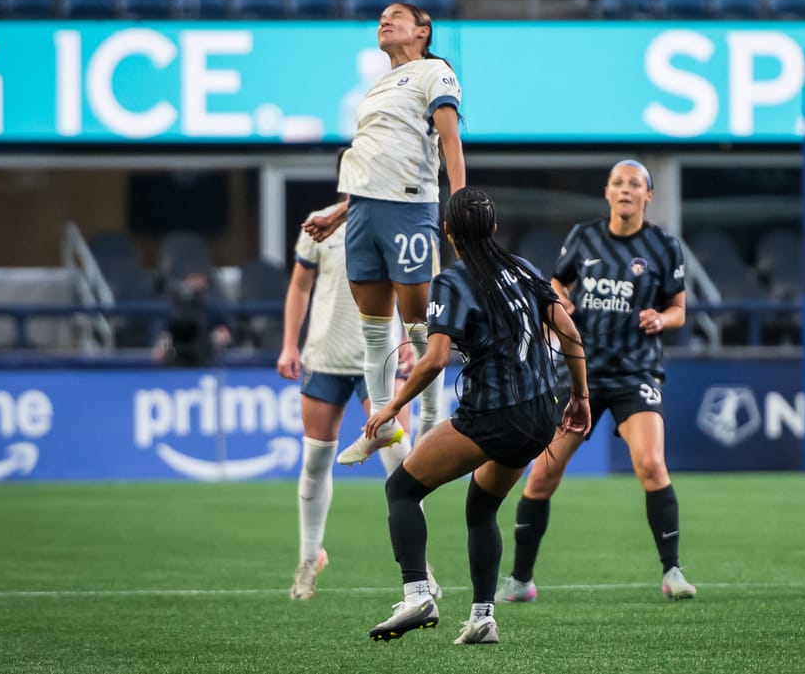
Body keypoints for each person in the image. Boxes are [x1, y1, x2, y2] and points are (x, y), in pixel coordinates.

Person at [362, 187, 590, 645]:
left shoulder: (453, 280)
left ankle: (416, 594)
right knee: (482, 507)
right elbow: (567, 328)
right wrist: (580, 397)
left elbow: (435, 359)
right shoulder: (523, 267)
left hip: (494, 414)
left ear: (447, 231)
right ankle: (483, 617)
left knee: (402, 489)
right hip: (541, 413)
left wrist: (391, 405)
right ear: (495, 228)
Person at [497, 160, 697, 603]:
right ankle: (520, 580)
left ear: (648, 195)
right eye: (618, 183)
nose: (625, 190)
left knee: (651, 464)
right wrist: (560, 300)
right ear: (607, 193)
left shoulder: (664, 246)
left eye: (634, 184)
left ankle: (672, 572)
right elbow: (554, 284)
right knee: (542, 477)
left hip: (635, 373)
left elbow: (679, 308)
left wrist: (661, 317)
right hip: (580, 374)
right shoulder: (583, 237)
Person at [304, 2, 463, 465]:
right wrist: (340, 213)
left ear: (422, 29)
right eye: (380, 18)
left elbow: (451, 141)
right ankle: (383, 426)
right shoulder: (376, 88)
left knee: (418, 322)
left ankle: (433, 416)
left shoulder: (433, 72)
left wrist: (457, 202)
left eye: (396, 16)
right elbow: (373, 161)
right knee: (374, 330)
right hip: (364, 212)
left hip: (409, 209)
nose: (384, 21)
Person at [278, 204, 442, 601]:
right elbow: (300, 286)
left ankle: (420, 565)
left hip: (383, 361)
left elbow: (418, 289)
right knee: (315, 460)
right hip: (325, 359)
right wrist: (288, 344)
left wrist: (411, 339)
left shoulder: (399, 221)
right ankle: (308, 558)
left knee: (401, 466)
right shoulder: (319, 224)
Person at [152, 268, 232, 367]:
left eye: (198, 279)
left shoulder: (213, 309)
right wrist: (161, 345)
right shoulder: (173, 309)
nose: (195, 284)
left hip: (205, 360)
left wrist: (220, 337)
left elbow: (226, 334)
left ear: (205, 283)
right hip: (176, 361)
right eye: (192, 279)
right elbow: (163, 334)